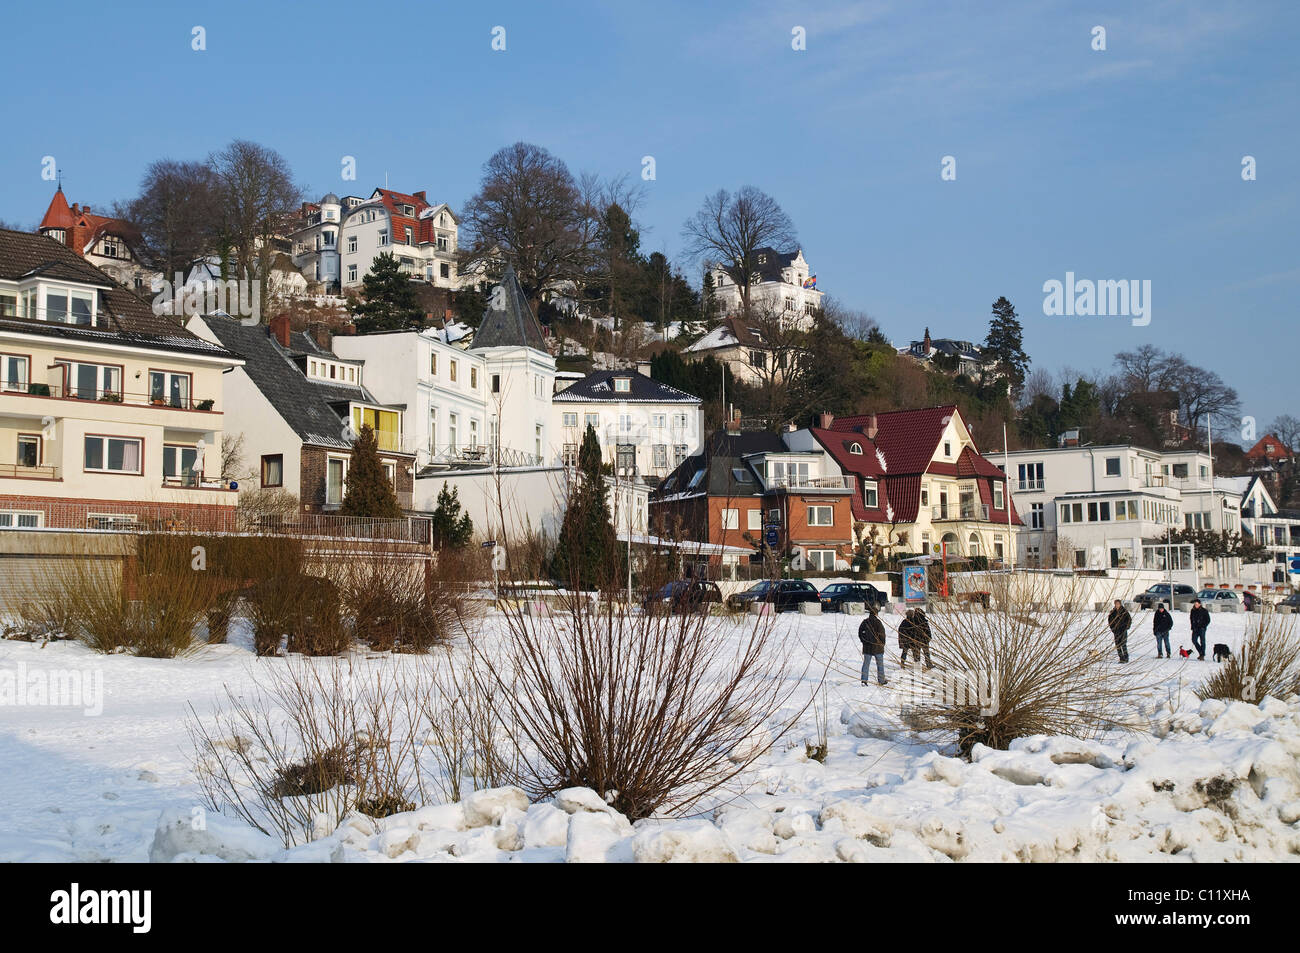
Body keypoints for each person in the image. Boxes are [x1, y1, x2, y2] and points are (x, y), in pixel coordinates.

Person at [858, 605, 888, 686]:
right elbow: (882, 634)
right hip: (878, 647)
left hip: (867, 647)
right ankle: (881, 680)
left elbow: (860, 633)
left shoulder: (865, 622)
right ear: (876, 614)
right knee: (880, 665)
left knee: (866, 664)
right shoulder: (878, 622)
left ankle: (864, 680)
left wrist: (863, 641)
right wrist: (882, 644)